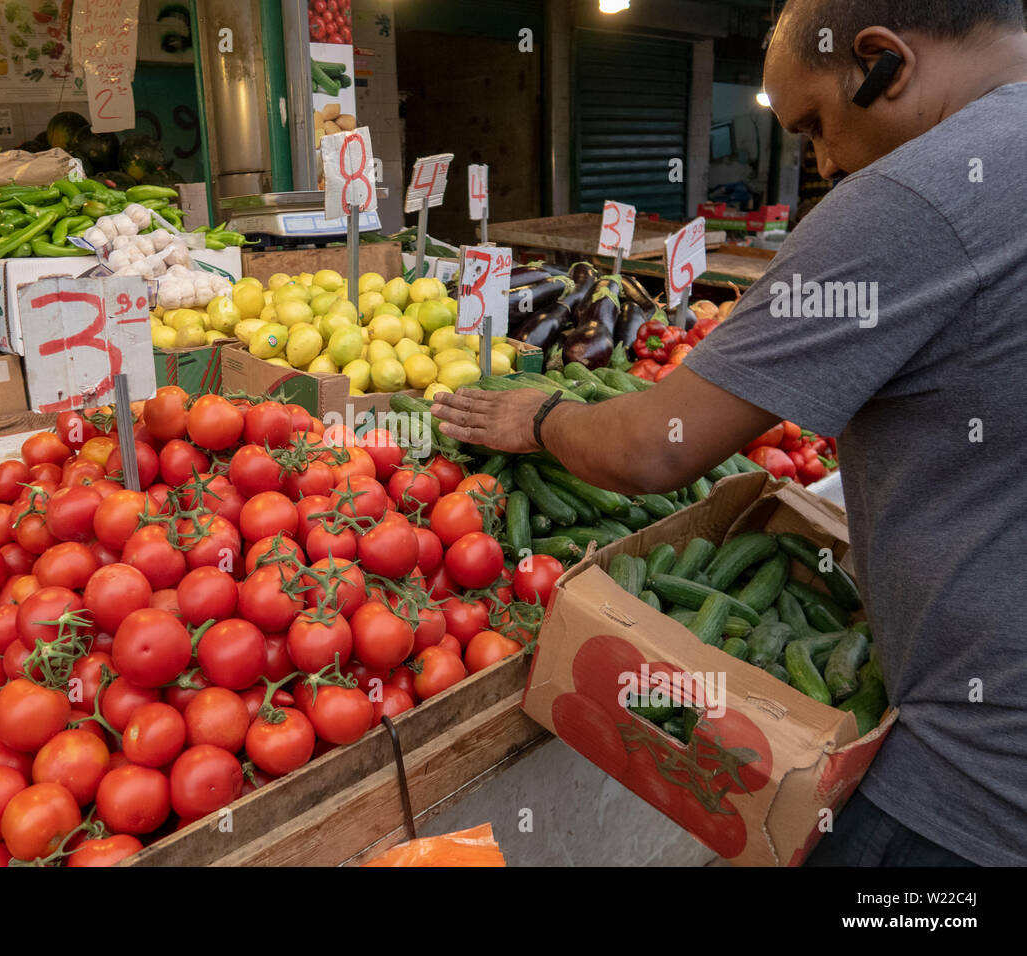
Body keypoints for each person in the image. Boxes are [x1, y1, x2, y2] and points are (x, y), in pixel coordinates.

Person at [432, 0, 1027, 868]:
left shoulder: (917, 195)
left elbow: (653, 446)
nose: (822, 164)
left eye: (816, 126)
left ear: (883, 62)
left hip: (969, 797)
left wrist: (545, 416)